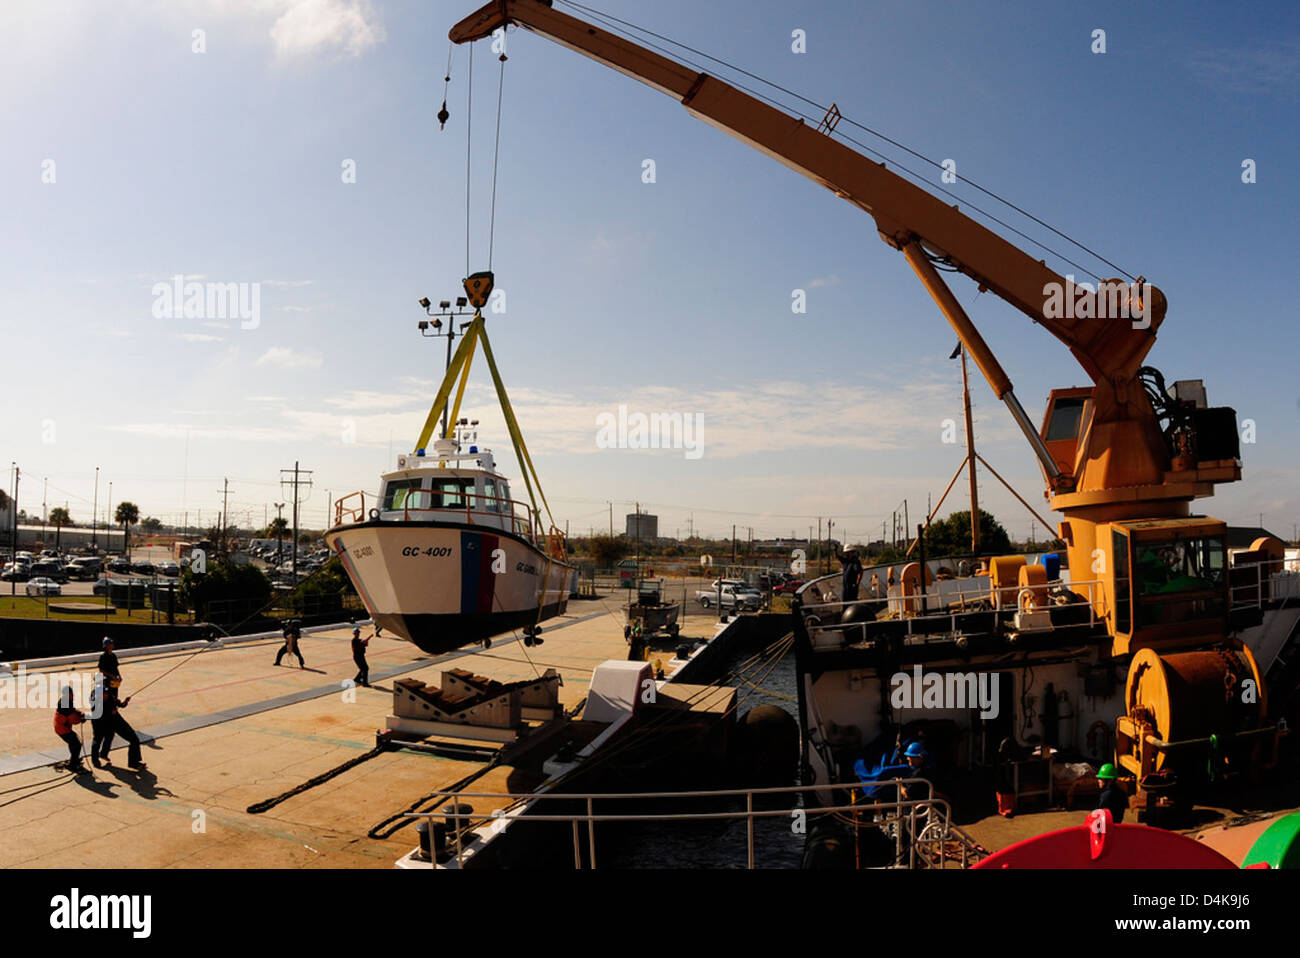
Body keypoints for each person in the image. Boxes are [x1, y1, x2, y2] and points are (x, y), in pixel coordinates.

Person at [90, 674, 145, 770]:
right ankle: (95, 760)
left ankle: (104, 754)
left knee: (127, 738)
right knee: (98, 739)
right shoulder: (94, 695)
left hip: (114, 719)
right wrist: (109, 712)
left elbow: (115, 701)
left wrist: (124, 703)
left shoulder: (107, 690)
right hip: (100, 722)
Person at [53, 686, 88, 774]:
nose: (73, 695)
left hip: (61, 727)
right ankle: (73, 764)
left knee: (74, 742)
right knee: (76, 744)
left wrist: (79, 713)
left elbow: (73, 711)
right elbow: (73, 720)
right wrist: (81, 719)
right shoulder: (66, 704)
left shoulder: (66, 701)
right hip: (63, 729)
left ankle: (74, 759)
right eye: (71, 694)